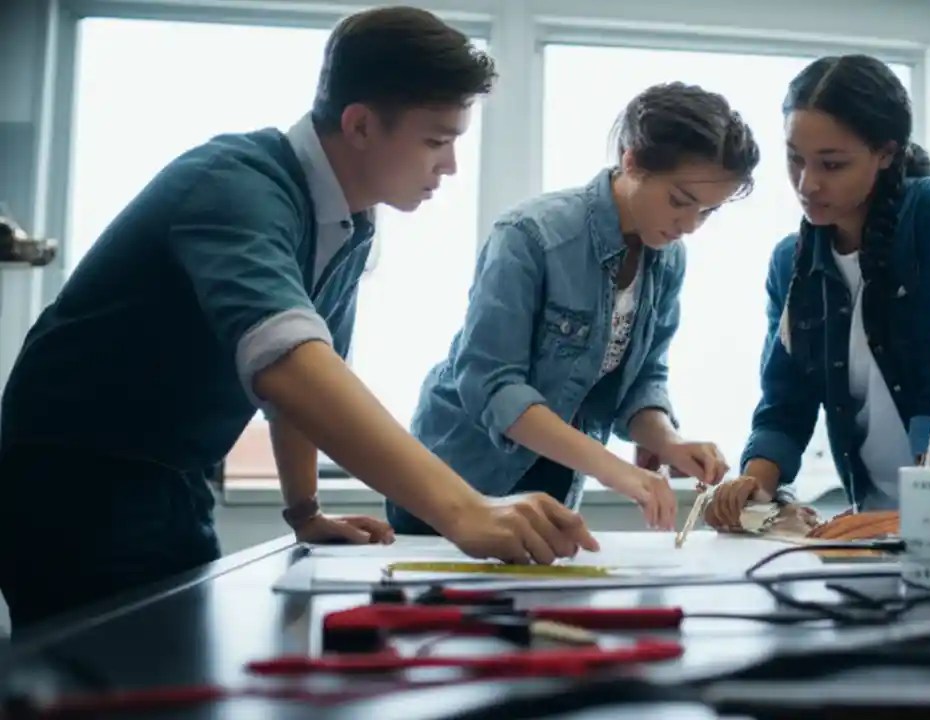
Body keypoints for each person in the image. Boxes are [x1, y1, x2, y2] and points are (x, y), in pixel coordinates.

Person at [0, 6, 597, 633]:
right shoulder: (233, 184)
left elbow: (307, 383)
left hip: (172, 481)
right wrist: (465, 509)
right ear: (362, 125)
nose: (448, 165)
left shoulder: (349, 224)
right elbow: (287, 365)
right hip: (72, 480)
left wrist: (304, 509)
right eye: (436, 140)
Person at [389, 82, 760, 535]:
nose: (690, 226)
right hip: (454, 480)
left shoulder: (667, 257)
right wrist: (613, 469)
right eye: (680, 201)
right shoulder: (531, 235)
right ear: (632, 161)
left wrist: (669, 442)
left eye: (707, 211)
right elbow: (491, 385)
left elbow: (642, 380)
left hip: (555, 482)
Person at [704, 55, 930, 533]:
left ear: (886, 153)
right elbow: (785, 399)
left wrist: (914, 519)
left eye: (832, 163)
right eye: (794, 159)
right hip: (883, 515)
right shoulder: (791, 263)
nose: (807, 184)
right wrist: (750, 487)